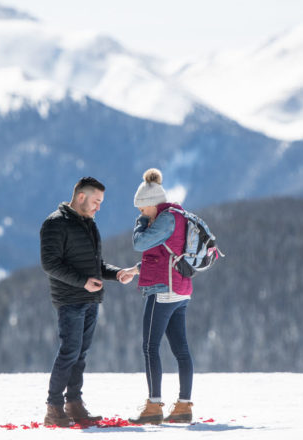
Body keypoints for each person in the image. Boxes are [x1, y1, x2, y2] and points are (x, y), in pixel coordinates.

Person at [40, 176, 136, 427]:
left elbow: (96, 266)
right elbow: (50, 264)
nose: (99, 207)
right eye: (96, 201)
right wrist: (82, 282)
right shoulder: (55, 224)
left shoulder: (89, 224)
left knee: (80, 354)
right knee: (69, 352)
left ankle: (74, 404)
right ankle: (53, 408)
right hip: (69, 299)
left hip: (90, 299)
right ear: (81, 197)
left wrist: (116, 273)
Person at [116, 168, 195, 424]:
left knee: (150, 347)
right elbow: (163, 255)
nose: (140, 214)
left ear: (151, 203)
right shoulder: (176, 216)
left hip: (162, 292)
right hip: (180, 291)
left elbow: (140, 244)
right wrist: (136, 270)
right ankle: (183, 407)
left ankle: (153, 406)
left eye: (141, 209)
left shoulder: (165, 218)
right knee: (181, 350)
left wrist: (140, 224)